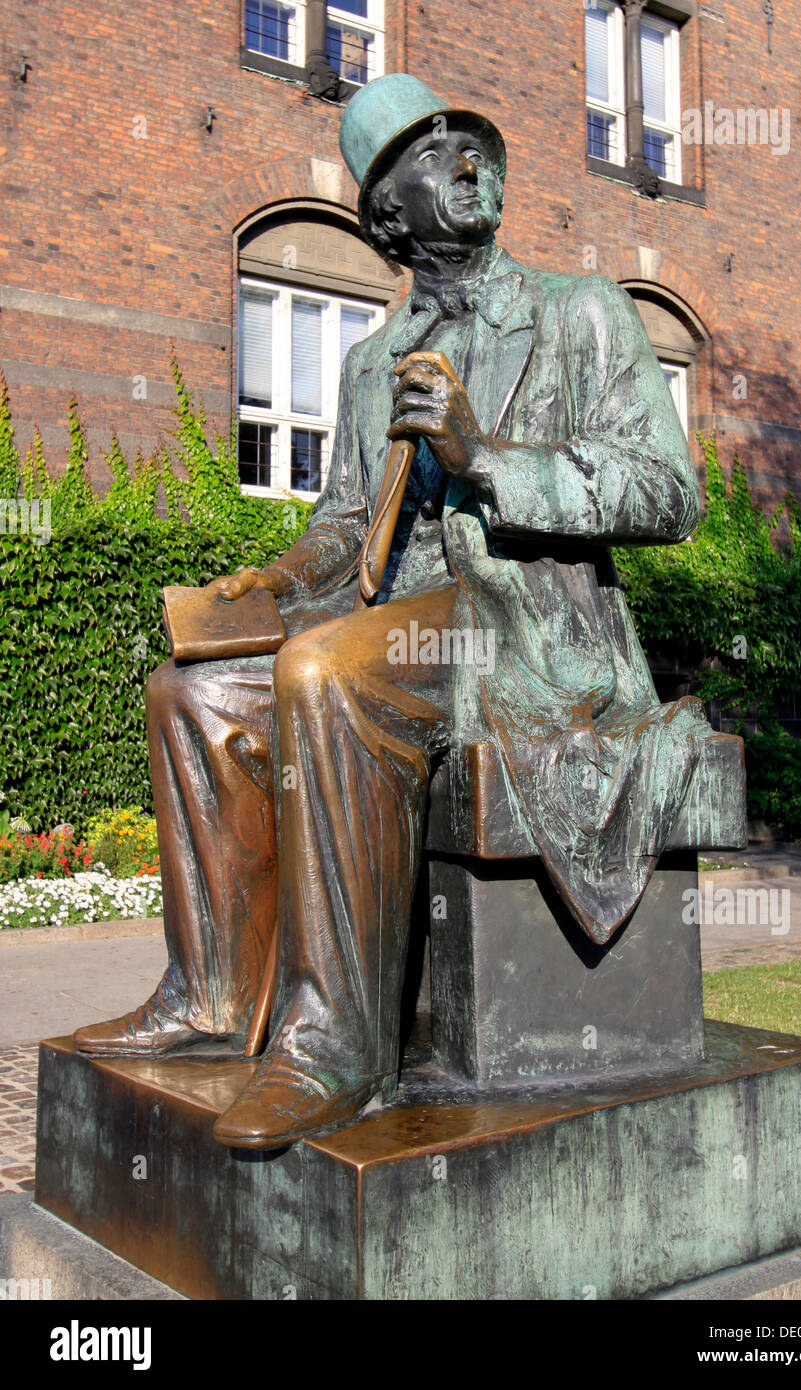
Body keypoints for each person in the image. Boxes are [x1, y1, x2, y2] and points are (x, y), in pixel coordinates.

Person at [74, 73, 708, 1148]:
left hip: (519, 633)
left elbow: (669, 492)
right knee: (188, 689)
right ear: (384, 213)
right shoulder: (370, 365)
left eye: (471, 144)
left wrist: (487, 457)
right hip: (398, 625)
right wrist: (271, 583)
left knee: (325, 673)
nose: (466, 160)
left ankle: (335, 1048)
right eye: (431, 152)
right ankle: (216, 999)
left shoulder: (581, 313)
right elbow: (344, 527)